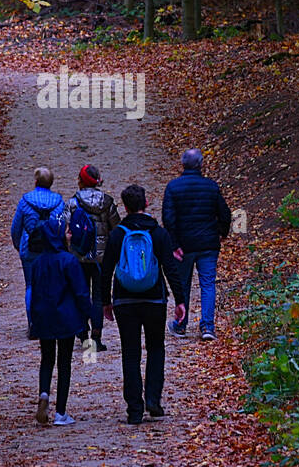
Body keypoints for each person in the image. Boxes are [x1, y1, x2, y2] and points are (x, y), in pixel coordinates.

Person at [99, 184, 185, 425]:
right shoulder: (158, 233)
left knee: (131, 353)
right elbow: (170, 267)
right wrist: (180, 300)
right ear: (146, 204)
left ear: (125, 207)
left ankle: (134, 409)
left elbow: (106, 270)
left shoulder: (118, 234)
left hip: (125, 301)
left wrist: (106, 301)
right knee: (156, 348)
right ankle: (153, 401)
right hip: (154, 299)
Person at [27, 215, 94, 426]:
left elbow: (33, 292)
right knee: (64, 363)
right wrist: (88, 316)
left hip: (44, 318)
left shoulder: (37, 263)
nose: (70, 233)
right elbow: (81, 292)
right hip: (66, 318)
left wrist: (34, 320)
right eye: (66, 230)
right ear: (57, 235)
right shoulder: (69, 261)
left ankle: (44, 393)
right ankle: (61, 412)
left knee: (47, 359)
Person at [162, 148, 232, 341]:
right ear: (201, 164)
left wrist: (174, 243)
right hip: (208, 243)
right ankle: (208, 326)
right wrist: (221, 233)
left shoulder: (173, 187)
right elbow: (225, 214)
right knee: (208, 284)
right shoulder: (210, 186)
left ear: (182, 164)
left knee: (183, 284)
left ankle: (181, 325)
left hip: (184, 246)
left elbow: (168, 219)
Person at [63, 164, 121, 352]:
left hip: (78, 256)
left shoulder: (73, 203)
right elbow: (116, 228)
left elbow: (65, 228)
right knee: (98, 296)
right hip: (101, 258)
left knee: (80, 294)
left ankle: (82, 333)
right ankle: (96, 337)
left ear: (80, 181)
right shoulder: (107, 202)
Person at [10, 167, 66, 338]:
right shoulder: (58, 201)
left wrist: (19, 246)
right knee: (51, 285)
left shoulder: (25, 201)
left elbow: (16, 228)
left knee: (31, 286)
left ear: (35, 182)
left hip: (30, 248)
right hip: (51, 250)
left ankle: (33, 324)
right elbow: (62, 226)